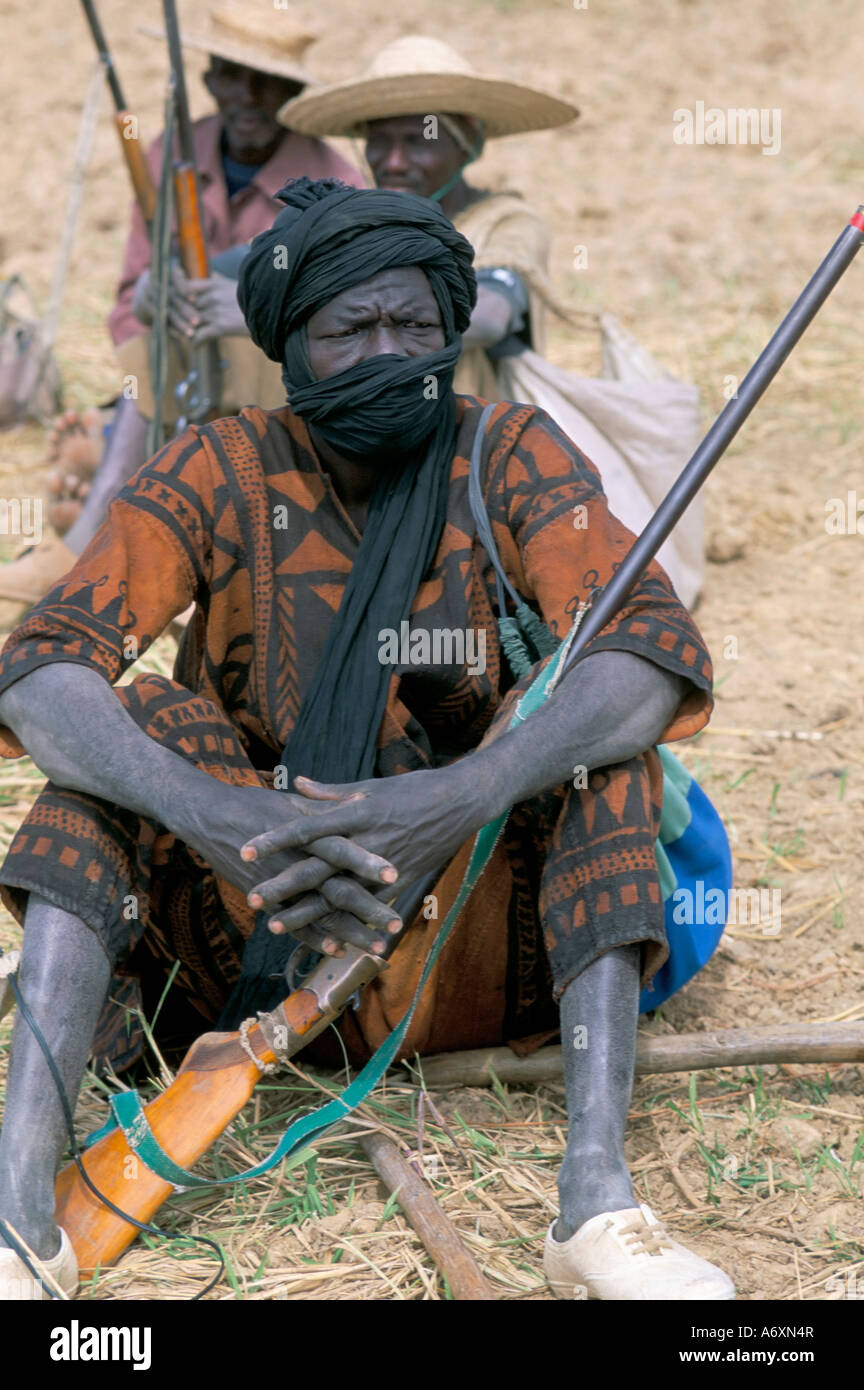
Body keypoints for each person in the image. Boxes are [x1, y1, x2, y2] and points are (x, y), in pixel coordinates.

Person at [0, 178, 732, 1302]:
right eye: (351, 328)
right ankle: (18, 1219)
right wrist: (221, 813)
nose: (390, 352)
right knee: (128, 729)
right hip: (249, 927)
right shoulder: (216, 464)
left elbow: (649, 650)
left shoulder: (508, 452)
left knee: (593, 733)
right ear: (293, 348)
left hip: (474, 939)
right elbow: (44, 666)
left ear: (451, 332)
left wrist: (465, 790)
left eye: (416, 326)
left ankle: (598, 1198)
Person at [280, 36, 705, 606]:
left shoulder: (506, 222)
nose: (395, 161)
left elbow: (490, 318)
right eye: (380, 142)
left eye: (417, 141)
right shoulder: (357, 221)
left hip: (470, 438)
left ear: (468, 144)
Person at [0, 5, 364, 627]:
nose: (247, 96)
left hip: (276, 397)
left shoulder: (336, 181)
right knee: (153, 356)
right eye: (231, 74)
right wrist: (150, 298)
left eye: (266, 82)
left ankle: (103, 506)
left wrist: (252, 314)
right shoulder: (170, 153)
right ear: (209, 78)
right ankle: (92, 540)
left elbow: (344, 330)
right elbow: (125, 308)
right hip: (175, 385)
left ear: (292, 91)